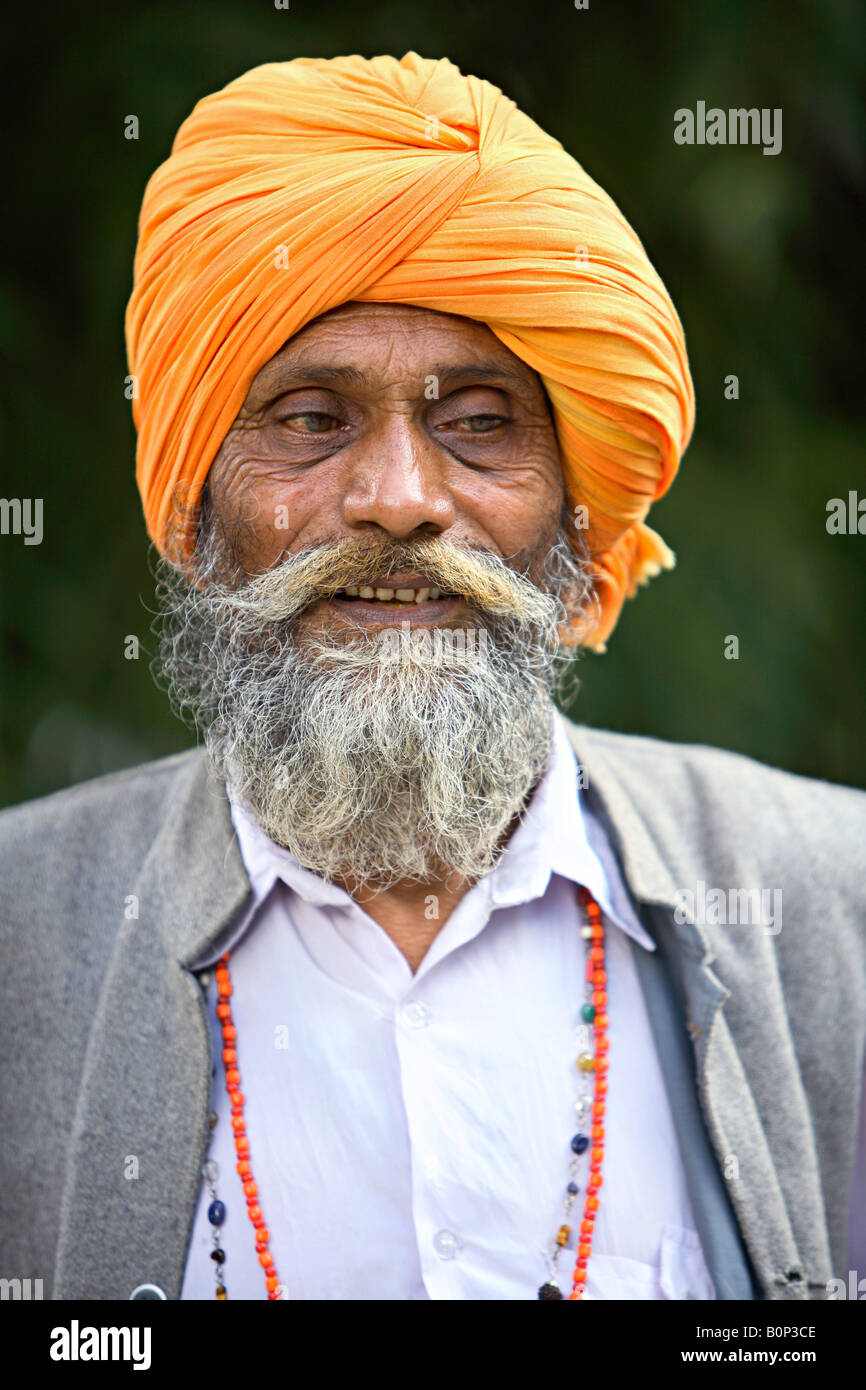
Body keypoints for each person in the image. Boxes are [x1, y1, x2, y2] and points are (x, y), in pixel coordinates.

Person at [1, 53, 864, 1303]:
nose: (399, 501)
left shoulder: (833, 901)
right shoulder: (24, 934)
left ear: (576, 520)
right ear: (192, 510)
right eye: (307, 418)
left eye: (476, 419)